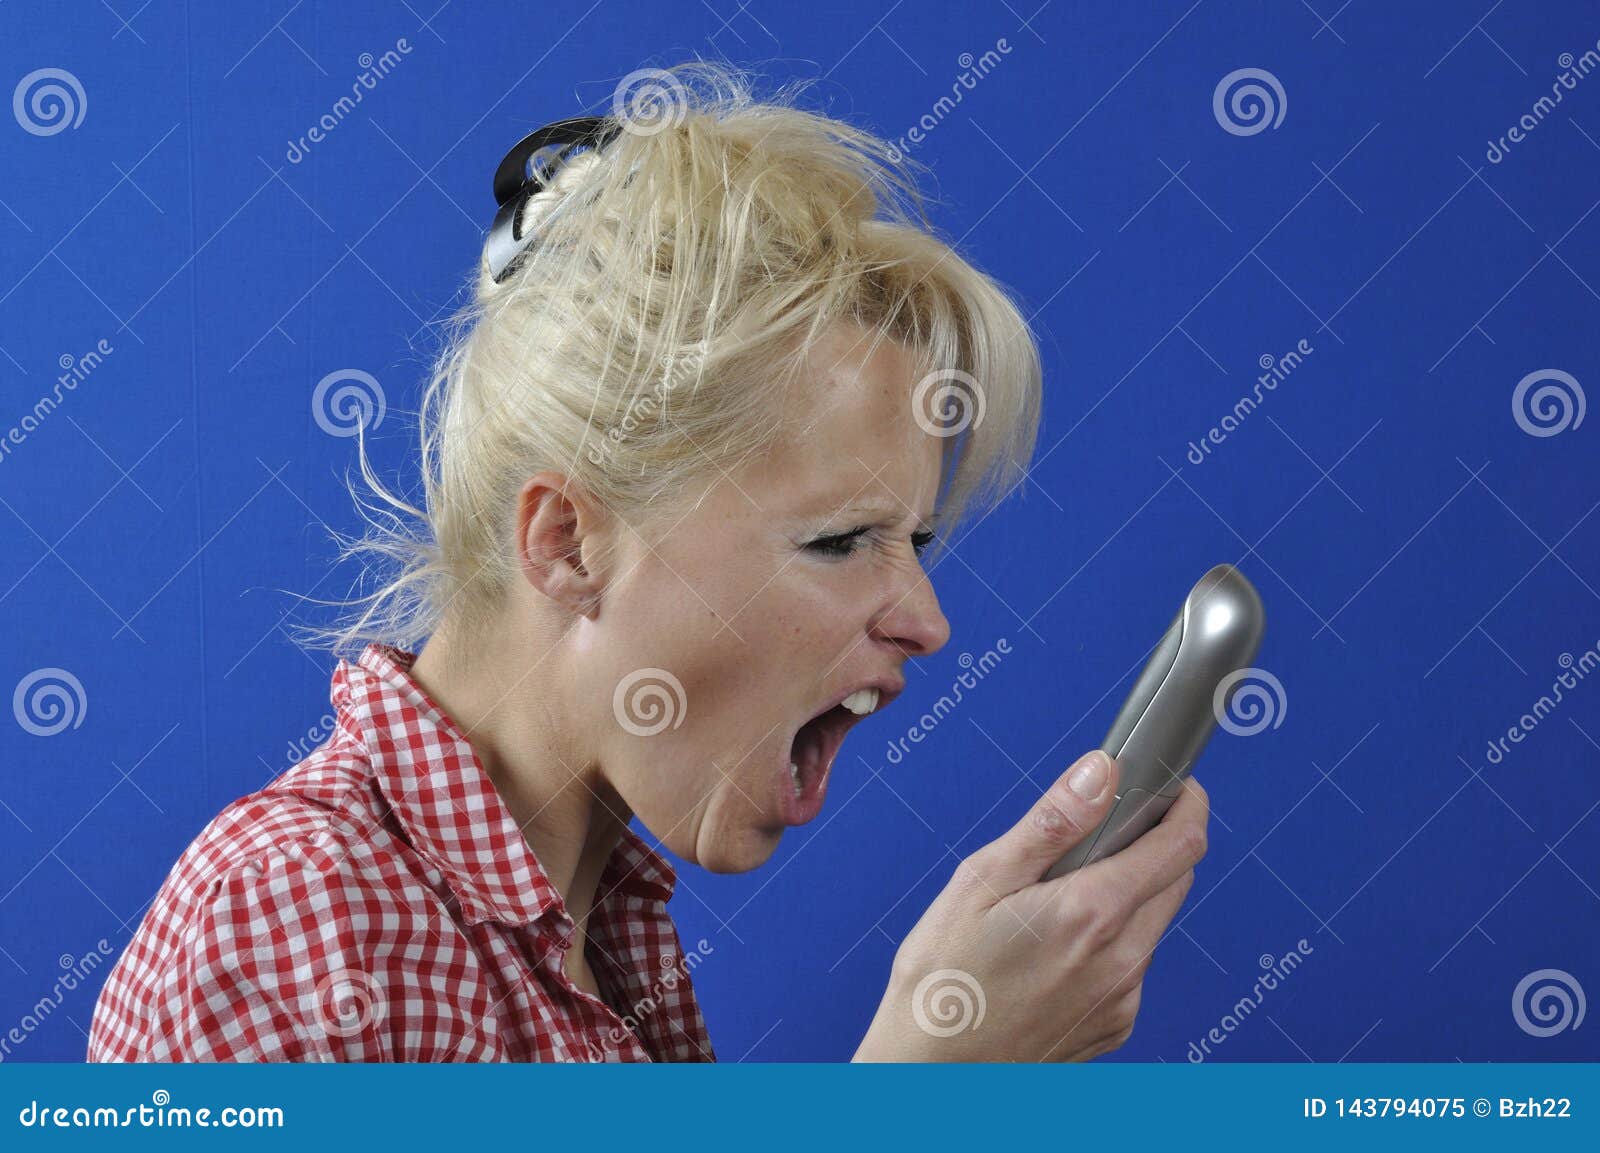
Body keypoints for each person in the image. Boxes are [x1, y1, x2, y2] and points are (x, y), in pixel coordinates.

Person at [88, 61, 1208, 1063]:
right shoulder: (284, 923)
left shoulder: (610, 938)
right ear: (568, 543)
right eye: (837, 539)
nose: (927, 619)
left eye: (911, 542)